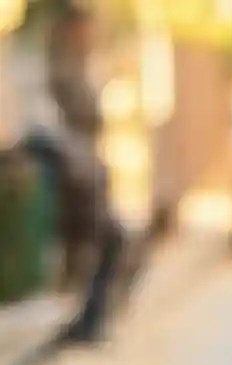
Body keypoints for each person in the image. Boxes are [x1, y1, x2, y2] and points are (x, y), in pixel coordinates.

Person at [46, 3, 125, 342]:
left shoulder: (80, 68)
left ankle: (90, 319)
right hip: (74, 174)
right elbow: (66, 127)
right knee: (103, 243)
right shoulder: (62, 73)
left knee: (112, 243)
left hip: (86, 171)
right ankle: (86, 321)